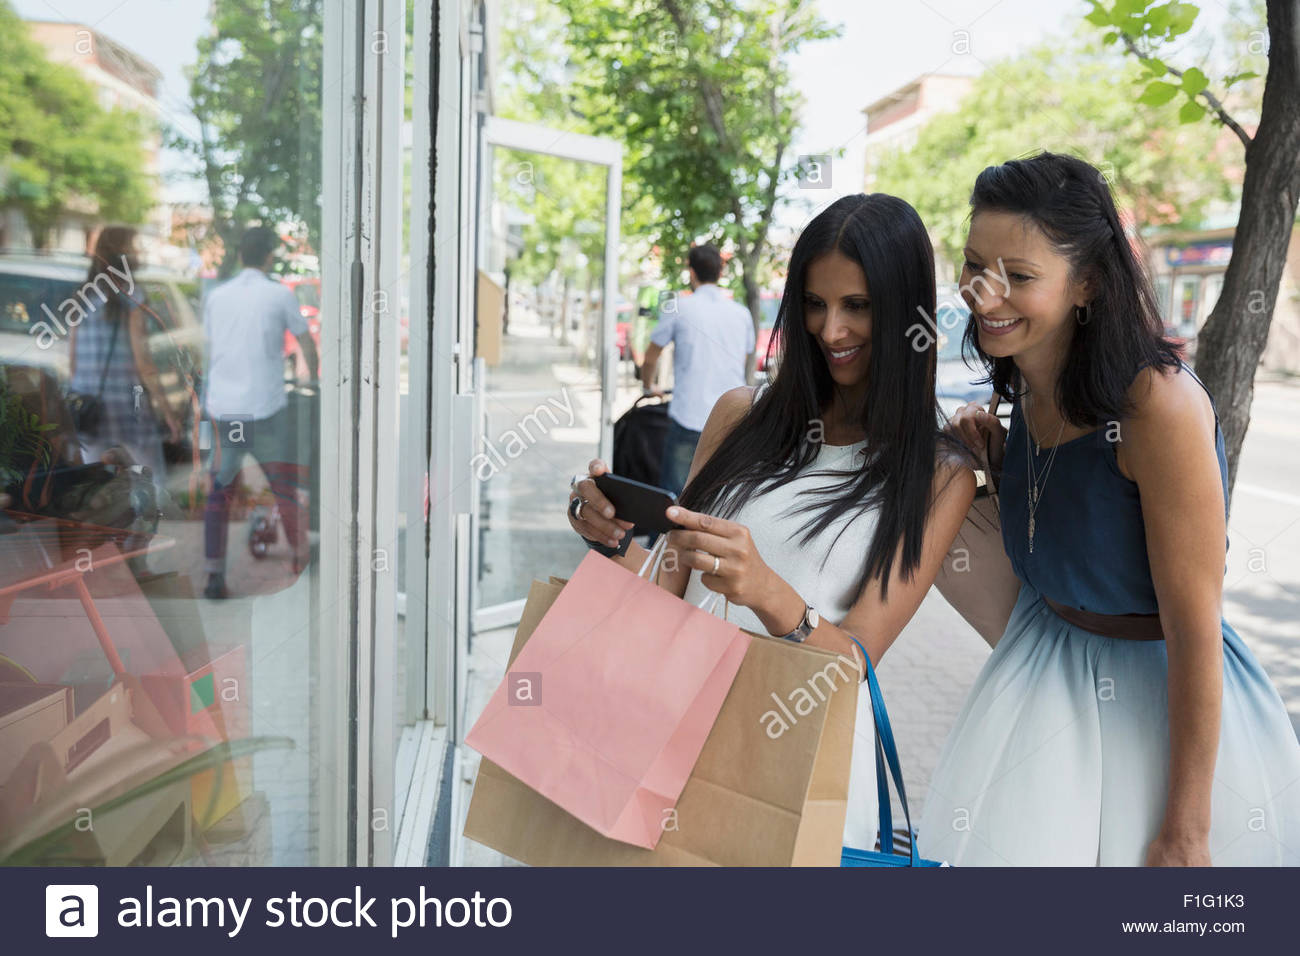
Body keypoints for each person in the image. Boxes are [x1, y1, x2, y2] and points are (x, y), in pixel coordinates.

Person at [920, 152, 1300, 866]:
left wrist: (1186, 830)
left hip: (1155, 713)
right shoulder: (1026, 379)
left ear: (1087, 284)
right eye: (976, 266)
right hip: (1041, 684)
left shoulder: (1158, 405)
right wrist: (1000, 466)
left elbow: (1195, 628)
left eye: (1020, 277)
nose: (985, 294)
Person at [568, 195, 975, 852]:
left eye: (858, 306)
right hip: (671, 732)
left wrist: (767, 591)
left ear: (906, 314)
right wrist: (604, 533)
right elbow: (661, 591)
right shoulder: (739, 415)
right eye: (815, 303)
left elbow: (857, 664)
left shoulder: (938, 475)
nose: (830, 329)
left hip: (796, 769)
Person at [201, 226, 319, 600]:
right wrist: (311, 380)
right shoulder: (279, 295)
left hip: (227, 413)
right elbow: (305, 343)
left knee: (220, 490)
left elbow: (212, 349)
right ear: (269, 257)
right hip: (265, 409)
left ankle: (213, 574)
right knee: (284, 485)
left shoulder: (217, 297)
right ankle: (299, 558)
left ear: (239, 256)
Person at [68, 226, 181, 491]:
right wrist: (168, 413)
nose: (139, 251)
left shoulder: (81, 298)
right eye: (135, 246)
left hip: (88, 406)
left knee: (92, 485)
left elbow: (72, 361)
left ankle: (108, 532)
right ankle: (143, 531)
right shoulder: (133, 297)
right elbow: (143, 363)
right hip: (128, 406)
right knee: (152, 482)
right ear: (122, 253)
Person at [640, 243, 755, 498]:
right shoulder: (741, 313)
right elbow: (745, 359)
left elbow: (651, 356)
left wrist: (649, 386)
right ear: (720, 272)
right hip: (732, 420)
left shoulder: (678, 307)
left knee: (675, 497)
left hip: (688, 417)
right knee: (722, 498)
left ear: (691, 272)